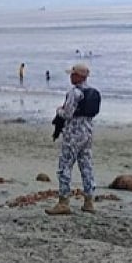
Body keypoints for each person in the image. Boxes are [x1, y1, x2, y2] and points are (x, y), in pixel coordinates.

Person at [46, 63, 98, 216]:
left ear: (78, 76)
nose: (70, 76)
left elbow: (67, 114)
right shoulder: (92, 92)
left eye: (72, 74)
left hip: (73, 134)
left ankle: (63, 202)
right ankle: (89, 201)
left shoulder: (74, 93)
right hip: (87, 133)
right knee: (86, 167)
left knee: (64, 167)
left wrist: (58, 111)